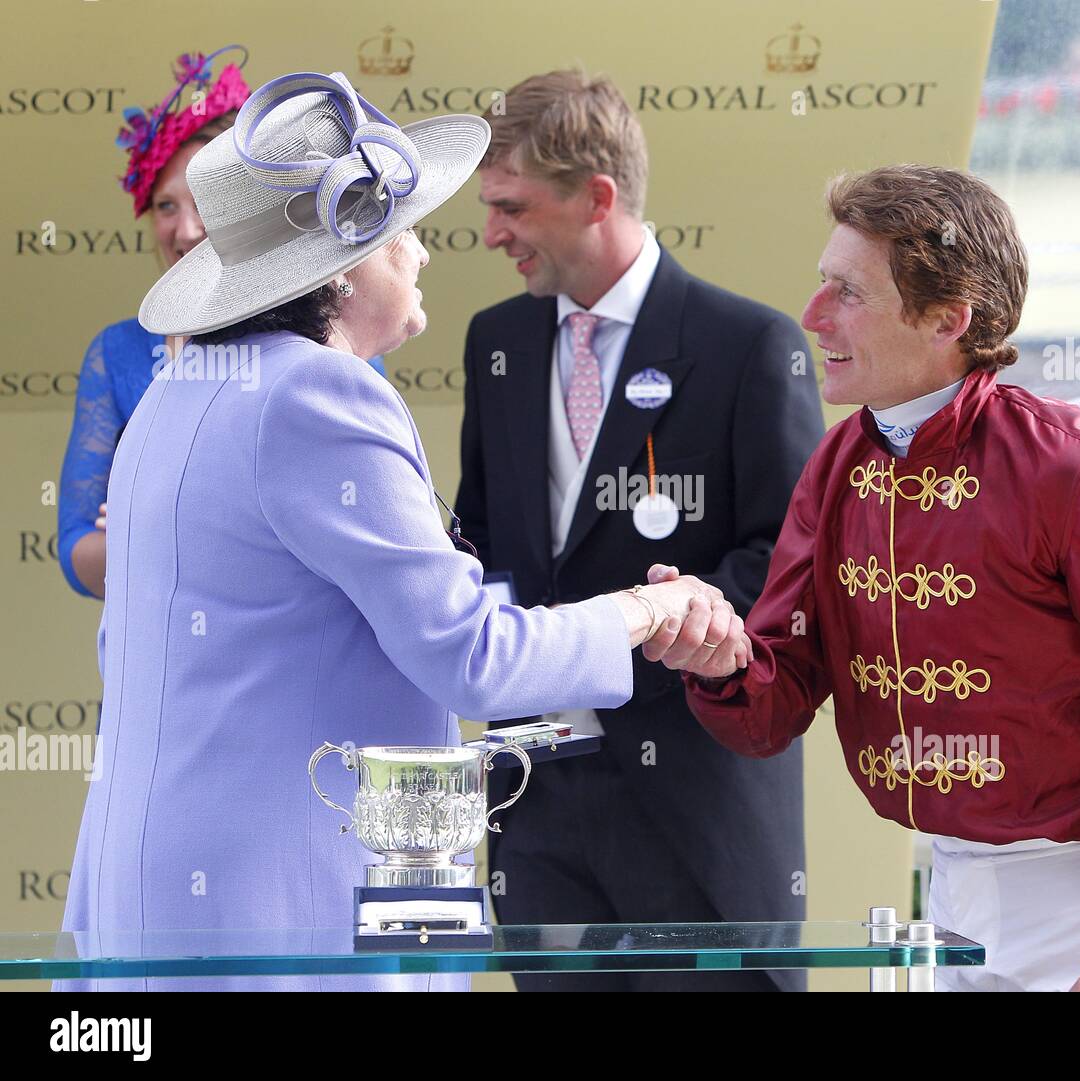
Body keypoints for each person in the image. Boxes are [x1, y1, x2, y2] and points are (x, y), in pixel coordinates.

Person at [56, 69, 745, 993]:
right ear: (345, 263)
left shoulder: (178, 394)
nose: (421, 254)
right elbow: (471, 655)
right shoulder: (320, 393)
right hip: (291, 903)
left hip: (169, 887)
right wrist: (641, 611)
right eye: (404, 232)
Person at [676, 164, 1080, 992]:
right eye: (820, 284)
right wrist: (715, 653)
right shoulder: (837, 464)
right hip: (949, 894)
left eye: (848, 292)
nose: (811, 316)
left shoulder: (1075, 471)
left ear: (949, 318)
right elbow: (775, 704)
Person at [456, 69, 825, 992]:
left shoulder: (748, 344)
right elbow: (488, 542)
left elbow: (788, 556)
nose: (491, 231)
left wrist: (669, 620)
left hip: (694, 800)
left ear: (597, 196)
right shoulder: (494, 342)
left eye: (511, 206)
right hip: (534, 804)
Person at [56, 47, 383, 599]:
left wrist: (145, 521)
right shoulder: (118, 351)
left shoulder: (327, 328)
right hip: (154, 658)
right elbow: (75, 548)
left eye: (203, 203)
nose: (184, 232)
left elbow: (359, 523)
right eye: (164, 206)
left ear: (244, 209)